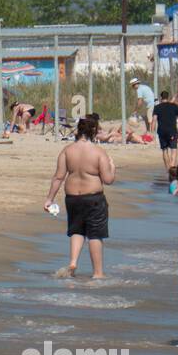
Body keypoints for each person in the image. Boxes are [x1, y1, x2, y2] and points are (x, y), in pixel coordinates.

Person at [44, 117, 116, 279]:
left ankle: (73, 262)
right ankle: (98, 273)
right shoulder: (98, 152)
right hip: (93, 198)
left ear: (78, 131)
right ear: (94, 132)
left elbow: (58, 177)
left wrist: (49, 199)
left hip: (72, 198)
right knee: (95, 235)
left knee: (77, 230)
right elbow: (108, 179)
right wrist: (112, 167)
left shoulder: (67, 150)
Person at [153, 90, 178, 171]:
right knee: (173, 149)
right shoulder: (174, 106)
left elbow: (154, 120)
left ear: (161, 97)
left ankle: (168, 169)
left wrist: (152, 132)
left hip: (162, 131)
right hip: (172, 131)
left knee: (164, 150)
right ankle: (172, 167)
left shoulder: (157, 107)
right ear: (168, 97)